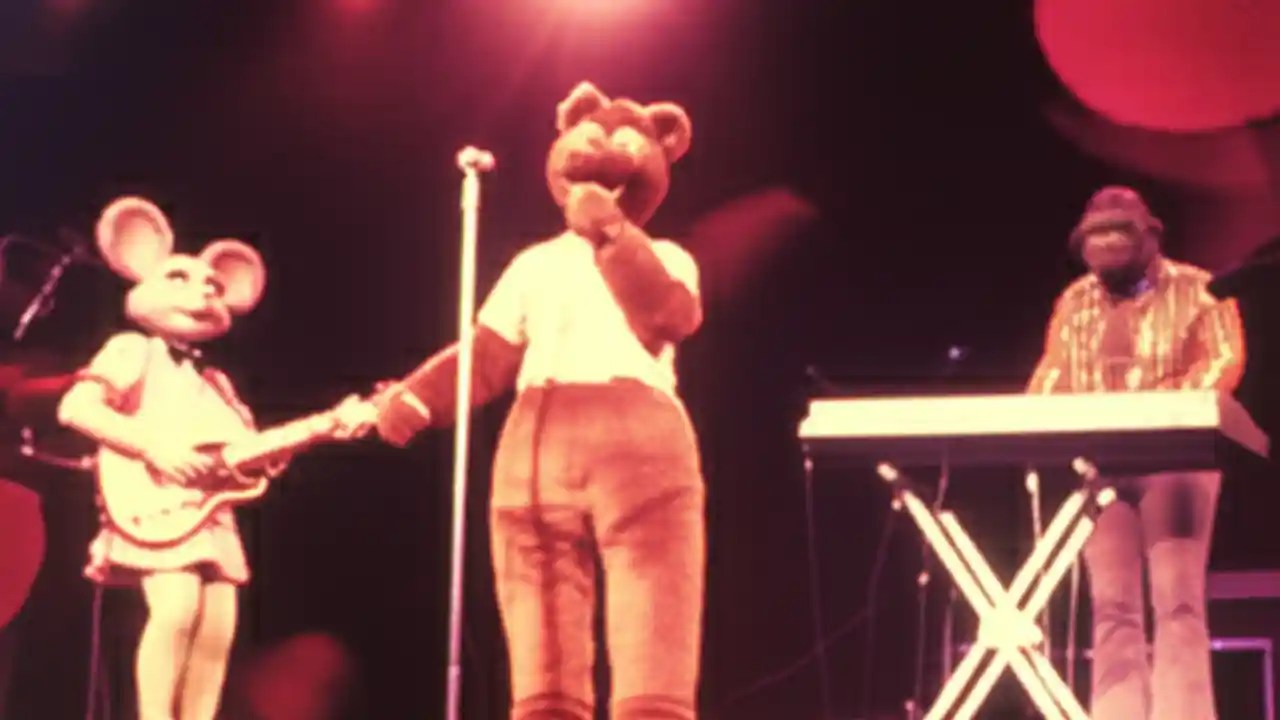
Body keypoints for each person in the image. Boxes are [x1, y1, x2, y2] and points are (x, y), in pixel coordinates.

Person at [373, 81, 706, 720]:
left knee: (655, 605)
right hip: (536, 450)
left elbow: (664, 315)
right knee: (542, 633)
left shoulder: (667, 255)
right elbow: (489, 354)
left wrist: (611, 235)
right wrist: (419, 399)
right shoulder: (534, 264)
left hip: (642, 455)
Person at [1027, 186, 1246, 719]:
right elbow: (1052, 374)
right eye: (1096, 239)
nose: (1106, 248)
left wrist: (1160, 409)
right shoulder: (1075, 301)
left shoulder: (1199, 290)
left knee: (1178, 604)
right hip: (1104, 466)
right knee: (1112, 607)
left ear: (1149, 237)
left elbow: (1224, 362)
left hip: (1178, 461)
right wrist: (1037, 415)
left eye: (1118, 235)